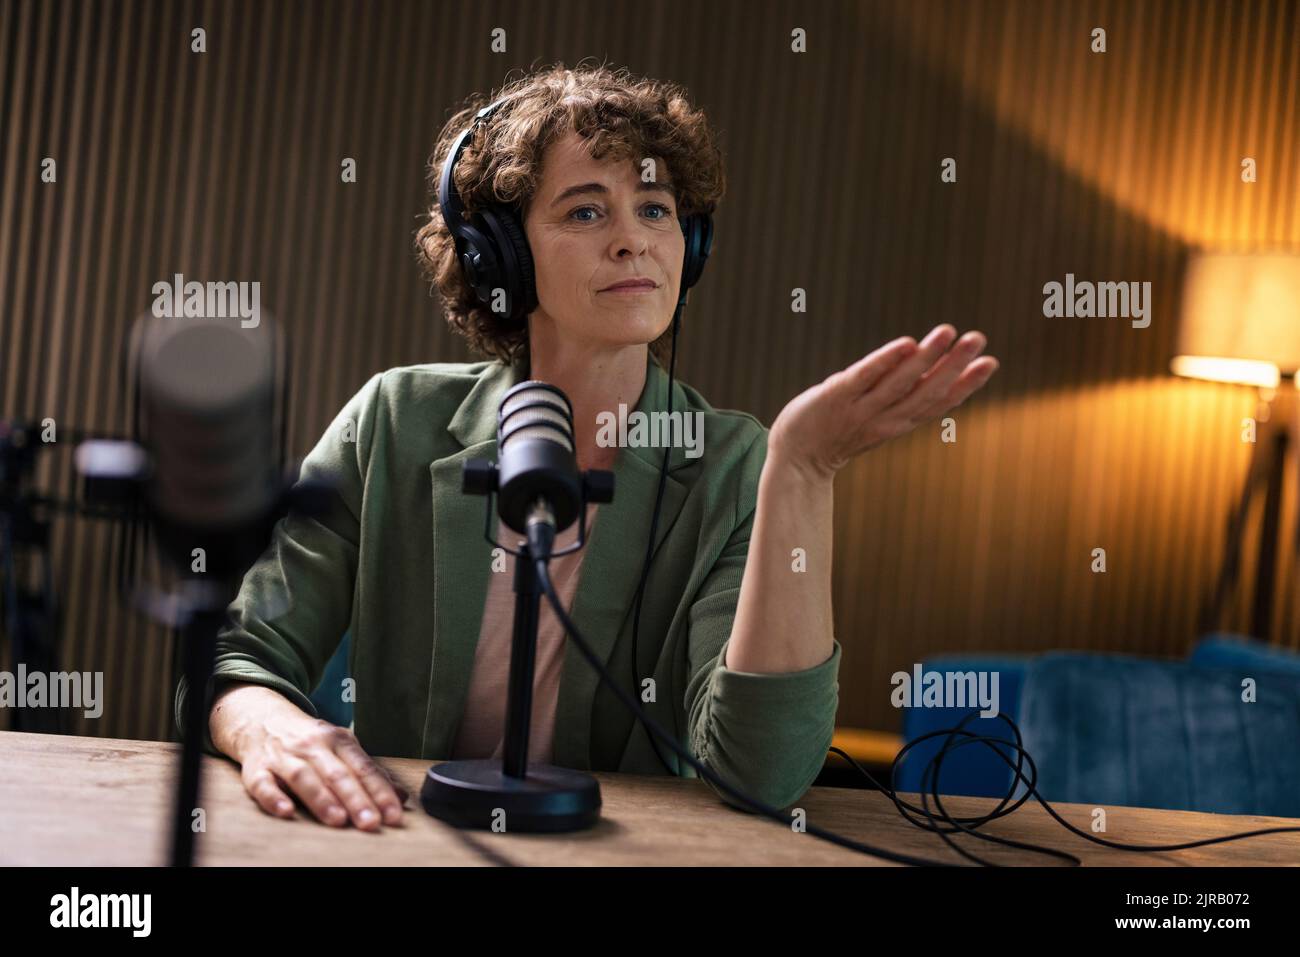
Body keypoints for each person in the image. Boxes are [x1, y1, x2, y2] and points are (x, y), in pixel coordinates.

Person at [176, 63, 999, 831]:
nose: (633, 239)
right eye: (584, 209)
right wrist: (268, 724)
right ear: (497, 251)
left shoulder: (734, 463)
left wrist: (804, 470)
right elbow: (235, 652)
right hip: (405, 843)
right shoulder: (394, 420)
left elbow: (763, 774)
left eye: (655, 209)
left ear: (691, 245)